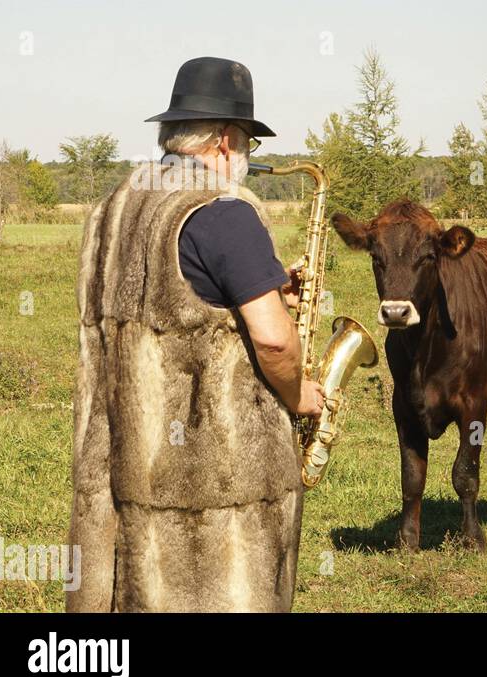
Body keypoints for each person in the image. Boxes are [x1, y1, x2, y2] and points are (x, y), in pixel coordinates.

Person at [68, 57, 321, 612]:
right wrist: (300, 394)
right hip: (205, 498)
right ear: (227, 141)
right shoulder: (223, 210)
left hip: (118, 472)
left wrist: (269, 289)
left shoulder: (112, 207)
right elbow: (275, 341)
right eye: (249, 144)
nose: (249, 160)